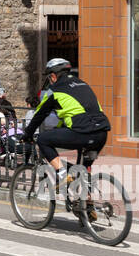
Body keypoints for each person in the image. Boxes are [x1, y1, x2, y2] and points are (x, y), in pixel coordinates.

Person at [21, 58, 111, 200]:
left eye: (49, 77)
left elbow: (39, 115)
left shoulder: (54, 90)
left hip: (83, 132)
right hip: (101, 134)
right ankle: (87, 204)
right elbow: (75, 111)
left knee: (43, 139)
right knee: (83, 169)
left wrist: (27, 134)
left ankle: (62, 175)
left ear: (53, 76)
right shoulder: (83, 84)